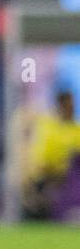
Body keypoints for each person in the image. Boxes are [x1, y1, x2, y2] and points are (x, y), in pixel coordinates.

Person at [23, 90, 80, 220]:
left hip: (71, 178)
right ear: (61, 106)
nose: (71, 108)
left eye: (73, 105)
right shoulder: (48, 128)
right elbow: (42, 162)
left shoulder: (77, 129)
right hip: (51, 178)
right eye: (68, 105)